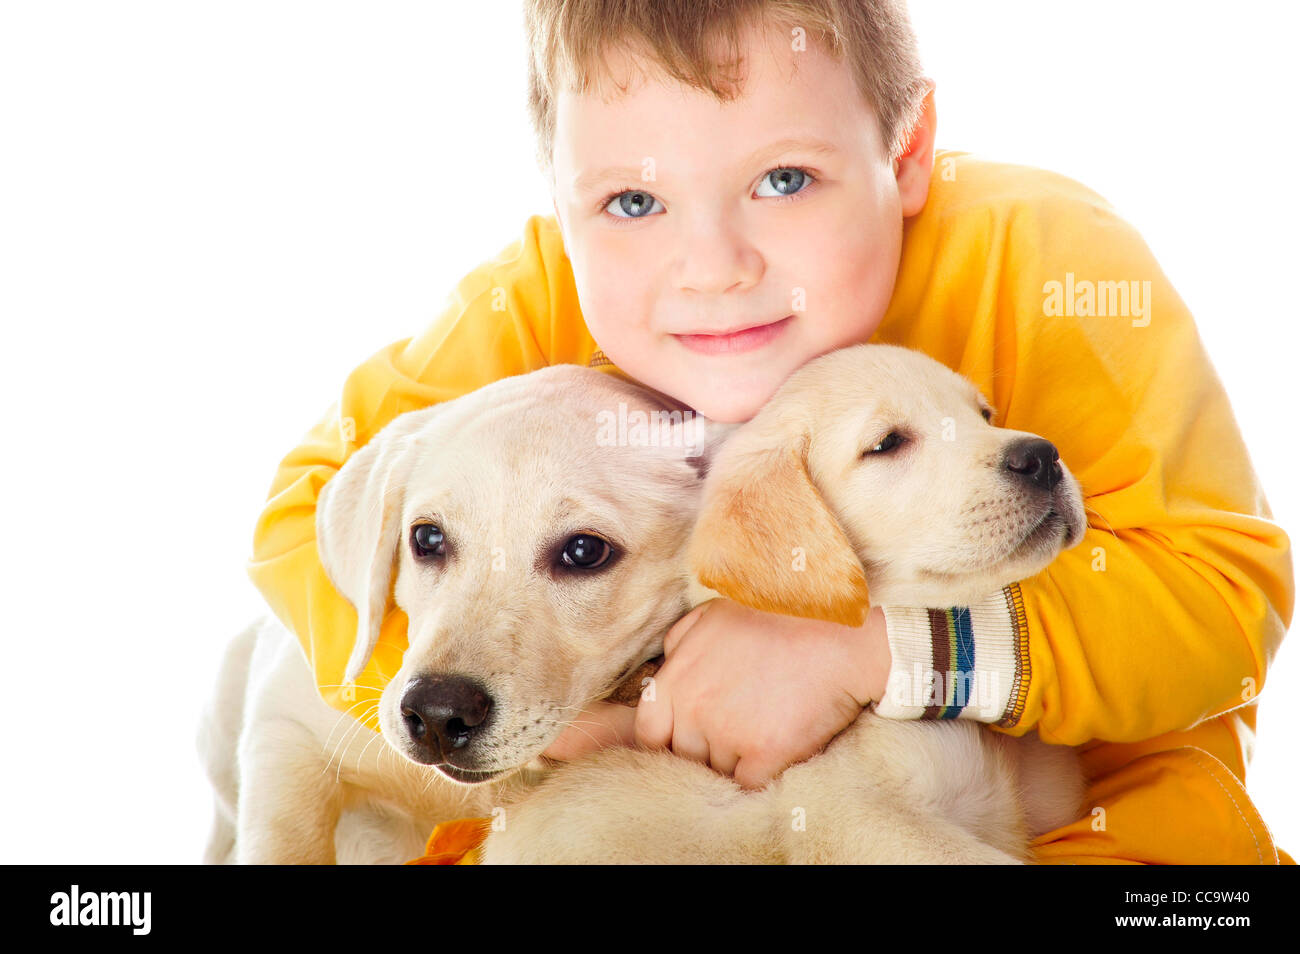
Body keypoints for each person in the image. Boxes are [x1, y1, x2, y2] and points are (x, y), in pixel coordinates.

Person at [247, 0, 1293, 863]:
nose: (711, 265)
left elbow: (1221, 590)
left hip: (1100, 821)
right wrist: (520, 703)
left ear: (908, 150)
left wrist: (871, 652)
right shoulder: (538, 303)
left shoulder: (1050, 260)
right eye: (629, 200)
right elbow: (307, 508)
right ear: (560, 206)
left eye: (781, 180)